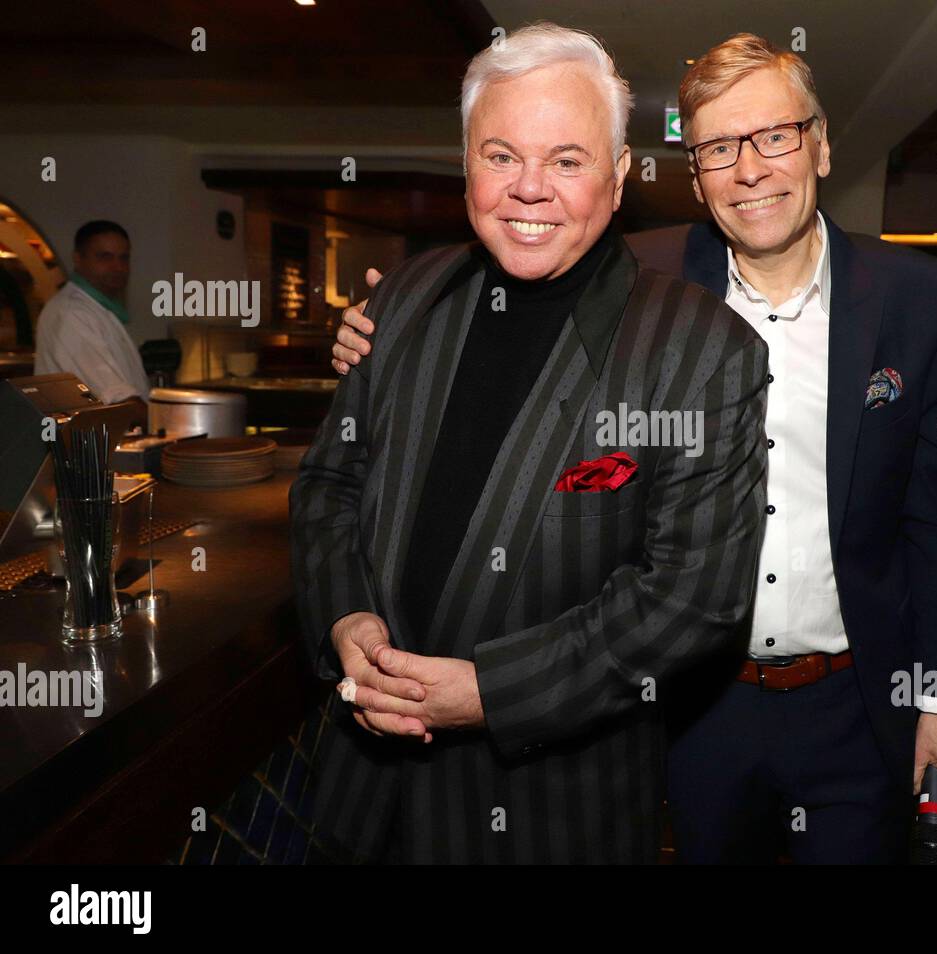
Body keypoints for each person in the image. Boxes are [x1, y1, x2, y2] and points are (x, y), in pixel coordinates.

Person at [334, 32, 937, 864]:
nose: (749, 169)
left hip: (854, 698)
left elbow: (936, 517)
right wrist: (371, 329)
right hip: (683, 705)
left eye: (775, 135)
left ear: (818, 145)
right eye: (717, 147)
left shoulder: (920, 300)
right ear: (694, 173)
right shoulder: (635, 272)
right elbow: (505, 262)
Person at [291, 23, 768, 864]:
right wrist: (344, 617)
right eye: (502, 156)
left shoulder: (700, 351)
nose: (529, 190)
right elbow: (329, 484)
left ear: (618, 179)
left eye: (567, 161)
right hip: (363, 796)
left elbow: (692, 599)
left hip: (550, 815)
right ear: (467, 162)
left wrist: (489, 693)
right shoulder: (401, 300)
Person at [34, 220, 149, 421]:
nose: (118, 267)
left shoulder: (99, 308)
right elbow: (117, 400)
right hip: (85, 448)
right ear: (78, 259)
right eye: (105, 257)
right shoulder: (71, 313)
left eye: (124, 258)